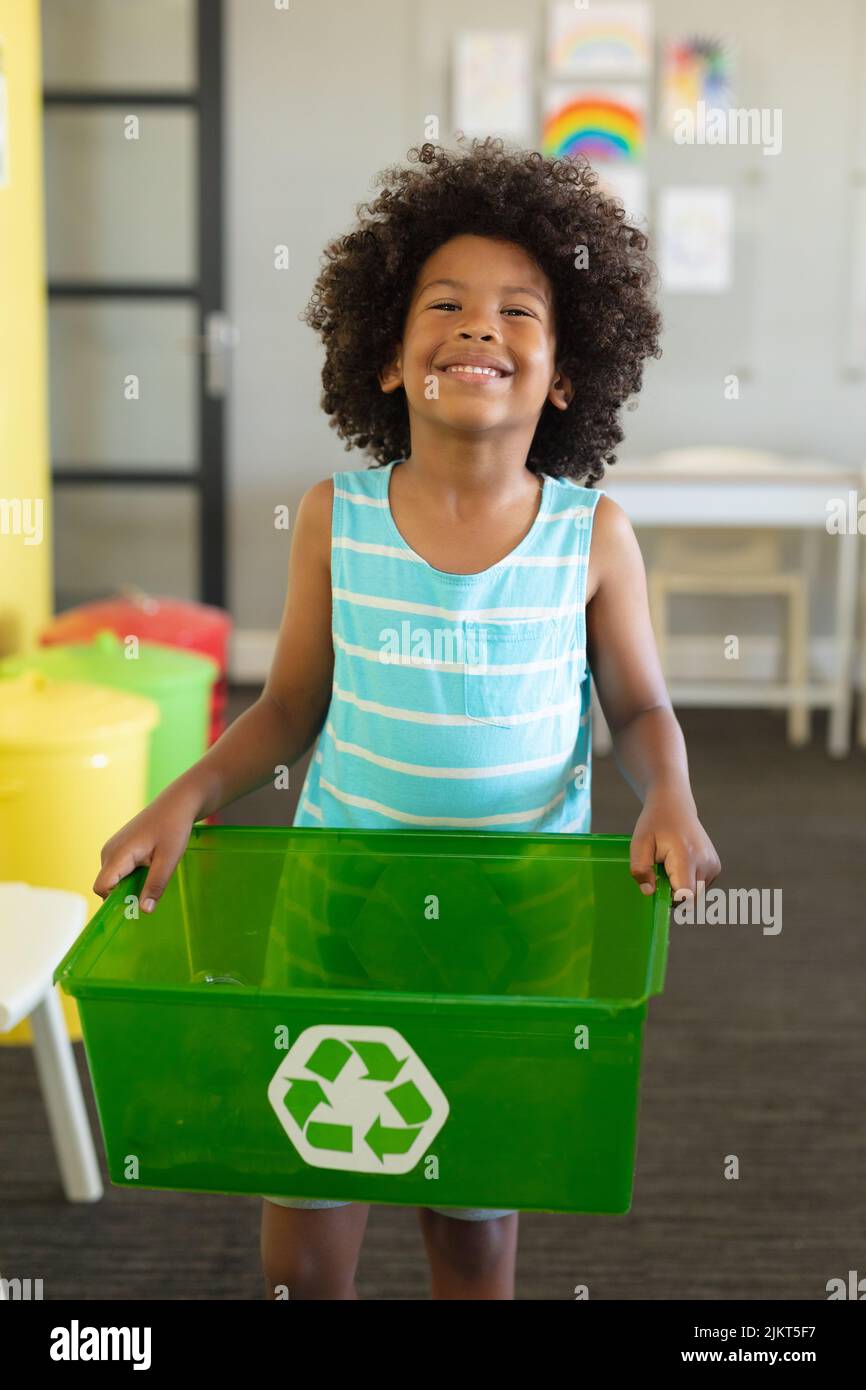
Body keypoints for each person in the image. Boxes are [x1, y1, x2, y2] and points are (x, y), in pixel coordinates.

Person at [94, 137, 722, 1300]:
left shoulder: (592, 536)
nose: (478, 328)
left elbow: (634, 704)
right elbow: (288, 705)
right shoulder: (336, 520)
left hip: (512, 935)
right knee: (305, 1226)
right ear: (385, 356)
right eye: (444, 304)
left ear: (566, 370)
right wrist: (181, 797)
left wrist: (669, 793)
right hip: (339, 922)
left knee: (473, 1226)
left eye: (517, 312)